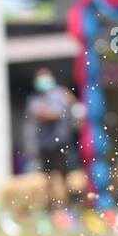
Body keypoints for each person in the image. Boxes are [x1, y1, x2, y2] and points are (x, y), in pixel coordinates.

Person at [25, 68, 79, 209]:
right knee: (48, 176)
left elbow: (68, 109)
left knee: (66, 175)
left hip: (62, 142)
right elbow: (42, 114)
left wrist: (51, 112)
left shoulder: (61, 93)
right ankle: (51, 204)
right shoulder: (34, 99)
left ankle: (68, 203)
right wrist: (53, 112)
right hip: (45, 144)